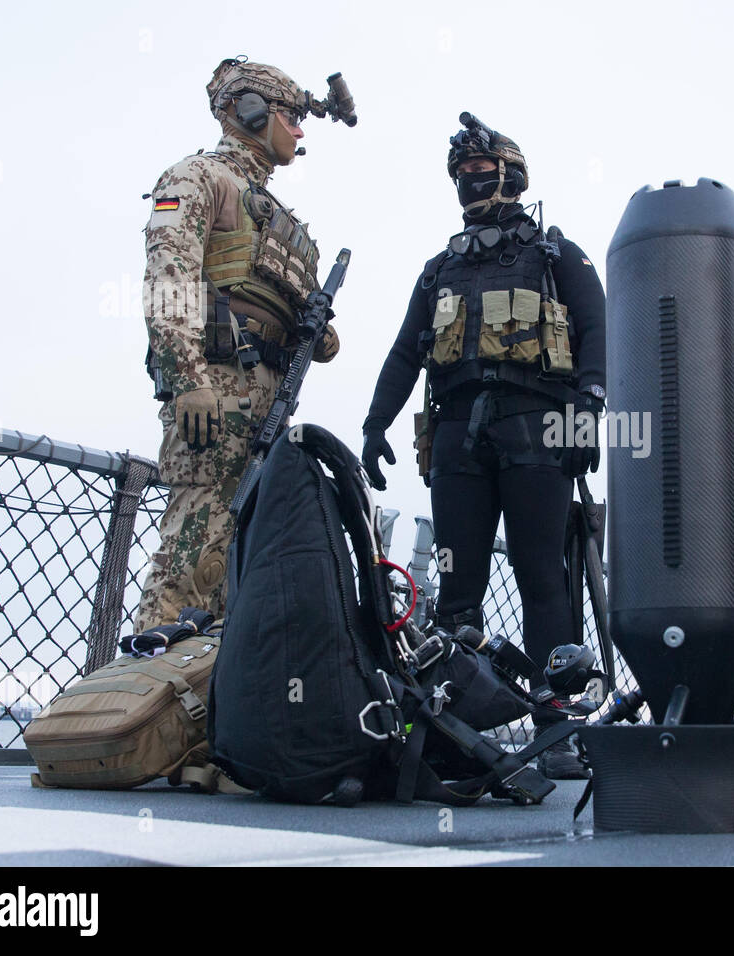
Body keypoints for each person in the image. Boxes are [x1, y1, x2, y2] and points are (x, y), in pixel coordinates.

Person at [361, 114, 605, 779]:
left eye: (480, 173)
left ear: (512, 177)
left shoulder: (558, 255)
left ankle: (559, 728)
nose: (469, 186)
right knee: (457, 586)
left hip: (536, 429)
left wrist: (588, 412)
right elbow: (406, 350)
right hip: (457, 439)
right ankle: (454, 726)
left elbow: (595, 329)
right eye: (461, 176)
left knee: (542, 579)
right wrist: (375, 423)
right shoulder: (439, 268)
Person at [134, 57, 341, 632]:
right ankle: (149, 698)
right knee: (191, 561)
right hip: (217, 391)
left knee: (245, 569)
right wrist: (187, 380)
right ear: (249, 112)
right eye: (290, 117)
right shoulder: (198, 178)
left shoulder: (285, 223)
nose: (299, 131)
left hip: (269, 401)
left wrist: (317, 330)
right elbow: (169, 282)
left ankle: (210, 708)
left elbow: (301, 323)